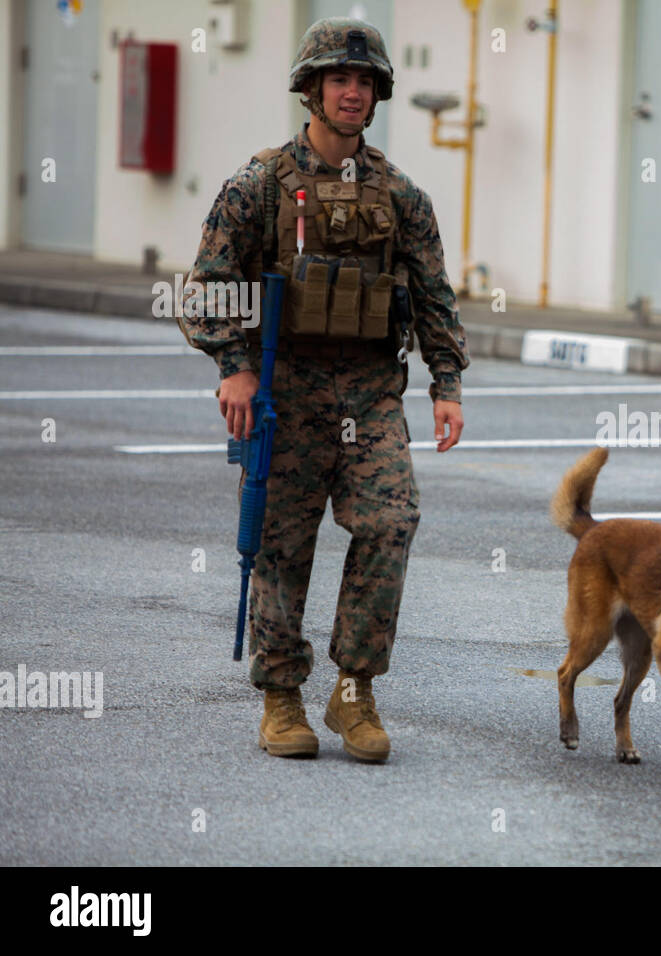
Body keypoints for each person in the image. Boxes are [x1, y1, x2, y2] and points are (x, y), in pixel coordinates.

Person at [176, 17, 468, 762]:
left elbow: (434, 294)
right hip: (287, 386)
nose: (352, 92)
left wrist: (447, 382)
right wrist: (234, 368)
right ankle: (281, 696)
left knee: (390, 522)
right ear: (311, 88)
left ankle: (352, 692)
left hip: (370, 391)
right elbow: (206, 291)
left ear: (377, 97)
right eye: (339, 78)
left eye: (364, 81)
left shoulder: (401, 195)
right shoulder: (260, 185)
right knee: (283, 542)